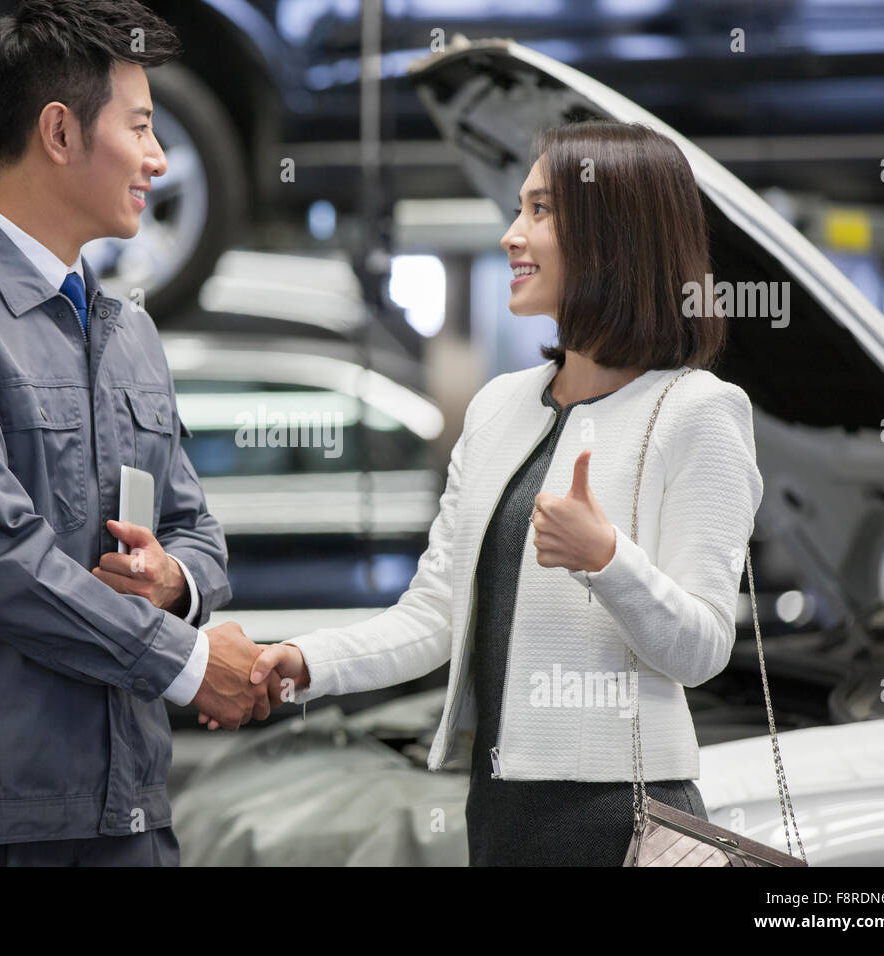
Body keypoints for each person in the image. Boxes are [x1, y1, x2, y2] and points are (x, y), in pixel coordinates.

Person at [231, 120, 764, 865]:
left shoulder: (698, 411)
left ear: (615, 234)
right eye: (519, 209)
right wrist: (308, 660)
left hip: (623, 819)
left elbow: (704, 647)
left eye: (541, 211)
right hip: (501, 812)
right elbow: (432, 615)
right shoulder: (499, 405)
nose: (513, 234)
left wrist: (606, 559)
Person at [0, 0, 277, 867]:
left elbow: (198, 531)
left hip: (130, 821)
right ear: (59, 132)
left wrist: (175, 582)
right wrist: (188, 665)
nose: (159, 159)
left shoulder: (129, 333)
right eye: (142, 126)